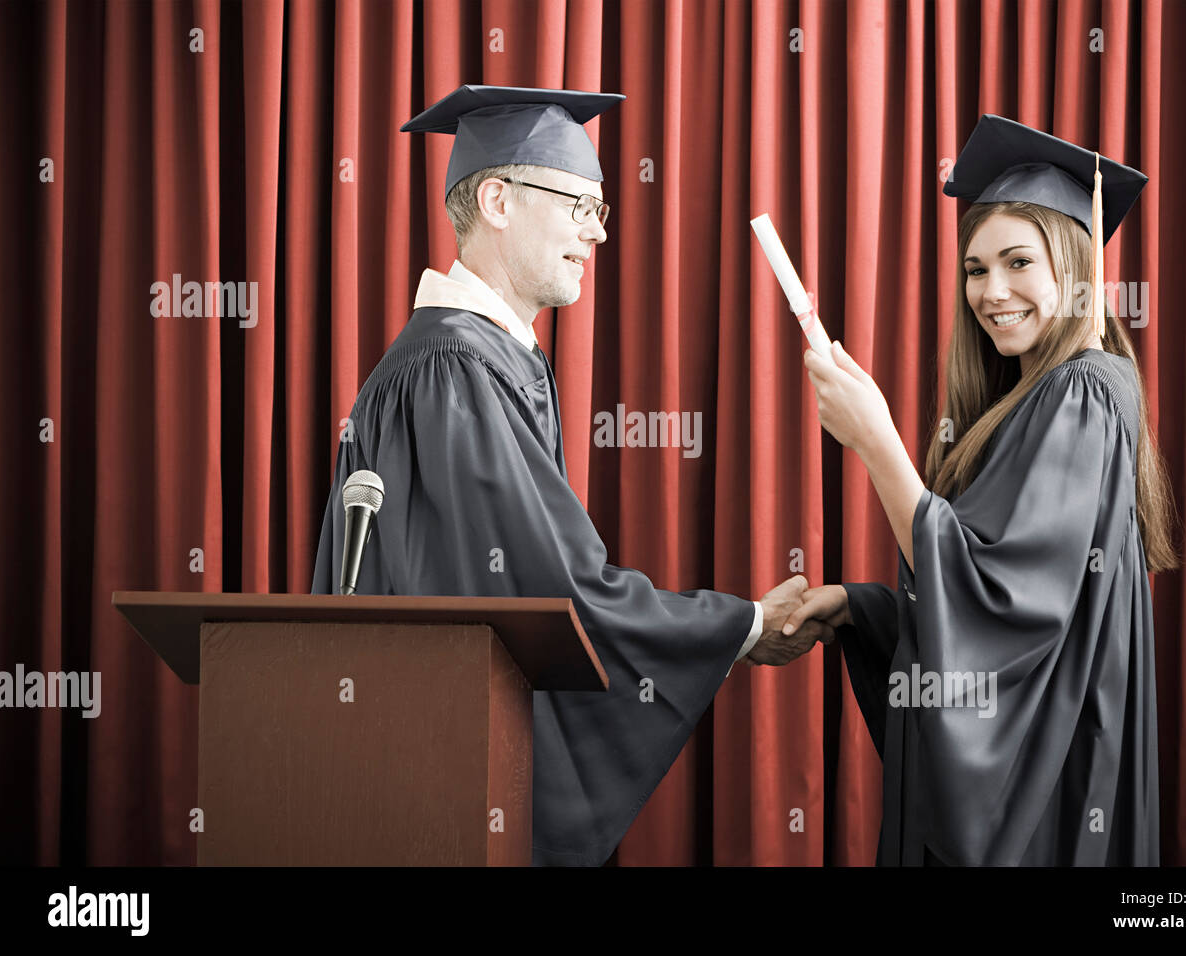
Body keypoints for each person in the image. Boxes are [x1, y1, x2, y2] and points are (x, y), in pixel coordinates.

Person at [311, 85, 828, 867]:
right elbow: (558, 591)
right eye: (579, 205)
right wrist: (742, 625)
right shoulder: (452, 369)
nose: (596, 233)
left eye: (602, 211)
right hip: (437, 788)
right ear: (497, 199)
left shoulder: (489, 360)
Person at [784, 114, 1180, 865]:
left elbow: (998, 603)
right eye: (975, 268)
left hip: (1050, 781)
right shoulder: (1031, 395)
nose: (991, 291)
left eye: (1018, 262)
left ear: (1076, 267)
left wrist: (876, 443)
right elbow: (990, 592)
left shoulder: (1086, 390)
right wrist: (862, 610)